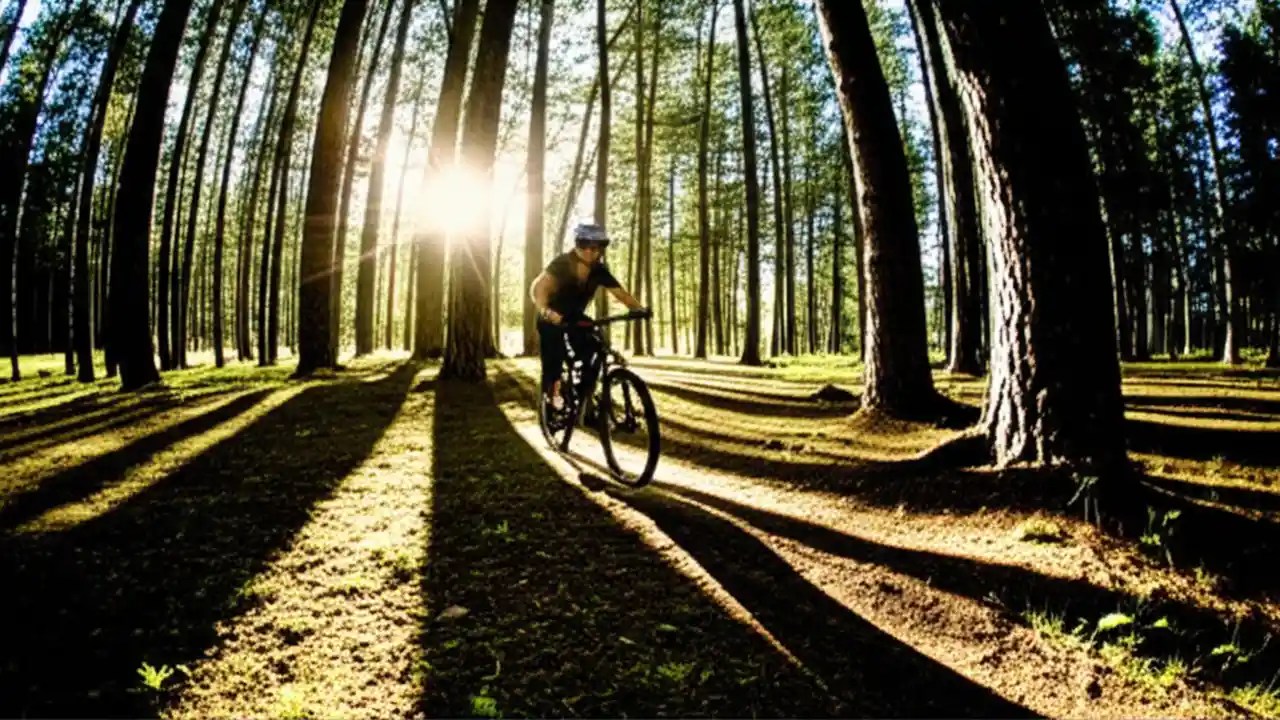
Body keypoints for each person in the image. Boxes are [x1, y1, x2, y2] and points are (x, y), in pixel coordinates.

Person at [529, 222, 647, 415]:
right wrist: (547, 311)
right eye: (585, 245)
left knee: (593, 349)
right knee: (554, 359)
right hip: (551, 317)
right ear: (577, 245)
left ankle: (585, 401)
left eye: (597, 247)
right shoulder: (562, 264)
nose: (591, 252)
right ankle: (552, 400)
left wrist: (639, 309)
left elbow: (620, 293)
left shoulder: (599, 270)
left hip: (575, 317)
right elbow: (537, 288)